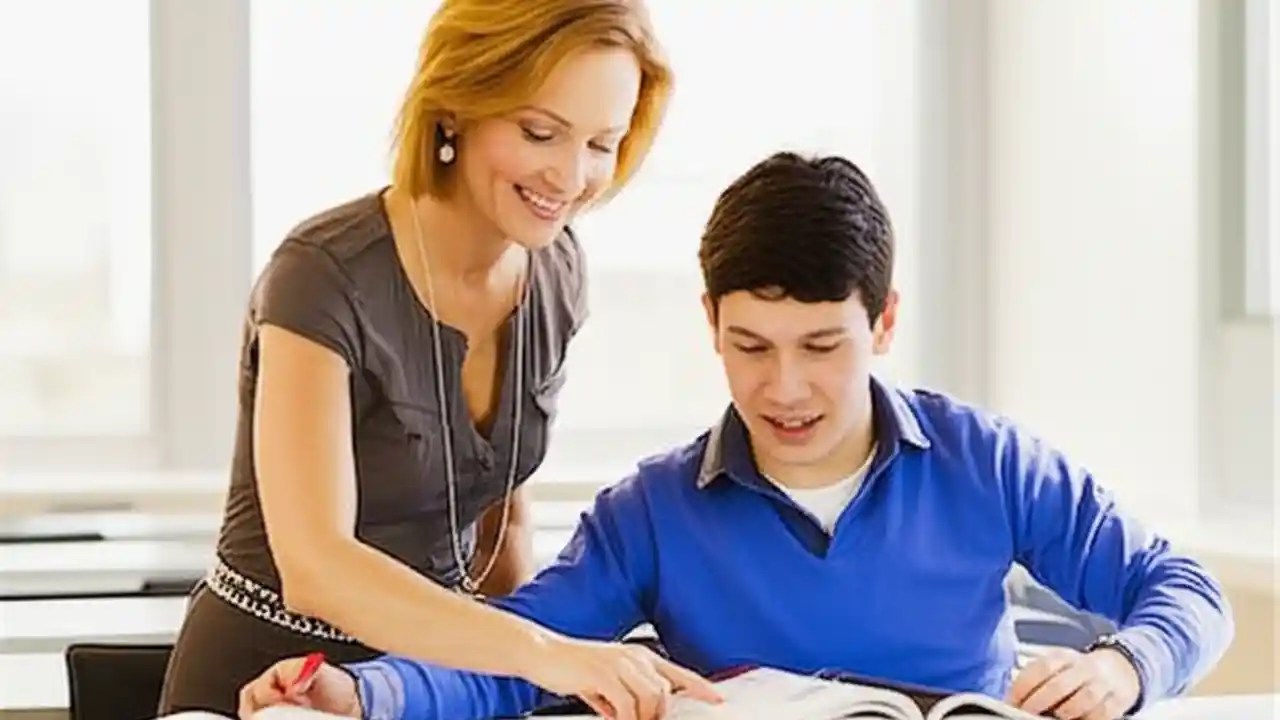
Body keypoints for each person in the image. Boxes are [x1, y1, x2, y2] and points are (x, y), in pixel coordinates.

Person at [238, 152, 1234, 720]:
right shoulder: (651, 513)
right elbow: (516, 655)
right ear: (709, 321)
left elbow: (1183, 590)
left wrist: (1124, 666)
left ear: (883, 322)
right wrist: (359, 697)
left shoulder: (989, 464)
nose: (784, 389)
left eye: (822, 347)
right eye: (750, 346)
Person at [158, 1, 722, 717]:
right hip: (272, 683)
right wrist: (548, 654)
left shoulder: (557, 272)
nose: (570, 175)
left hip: (425, 687)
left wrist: (516, 692)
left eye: (601, 144)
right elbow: (316, 567)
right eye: (540, 132)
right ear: (456, 105)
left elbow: (505, 530)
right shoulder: (321, 274)